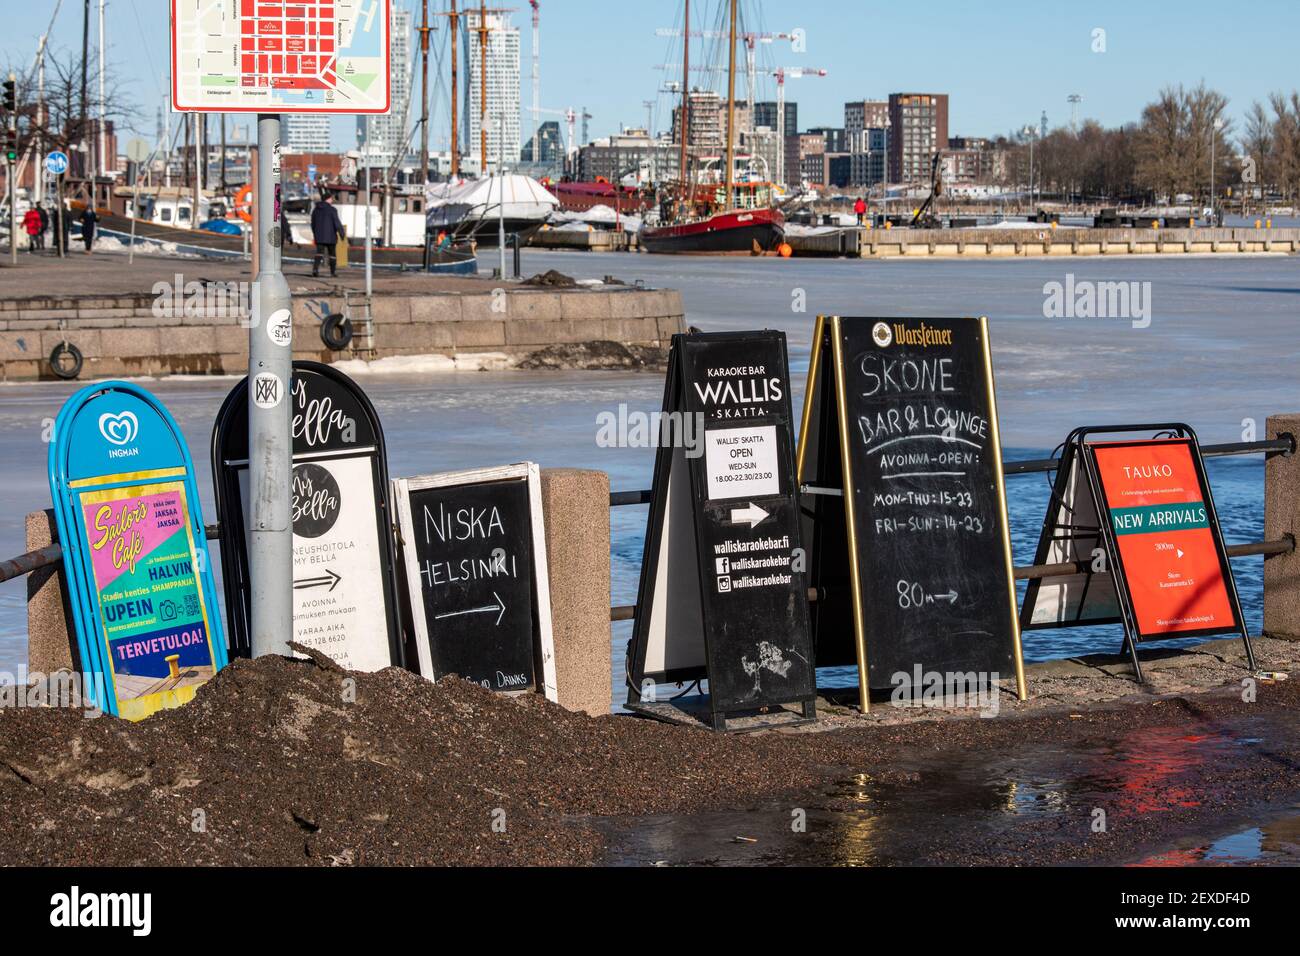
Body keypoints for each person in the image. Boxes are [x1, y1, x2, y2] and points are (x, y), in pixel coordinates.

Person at [310, 194, 345, 277]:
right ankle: (332, 272)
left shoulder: (316, 210)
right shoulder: (332, 210)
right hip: (331, 236)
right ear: (328, 199)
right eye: (331, 198)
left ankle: (315, 270)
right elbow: (336, 223)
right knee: (332, 254)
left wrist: (315, 233)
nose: (332, 200)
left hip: (319, 236)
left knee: (319, 253)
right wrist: (341, 233)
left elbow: (313, 223)